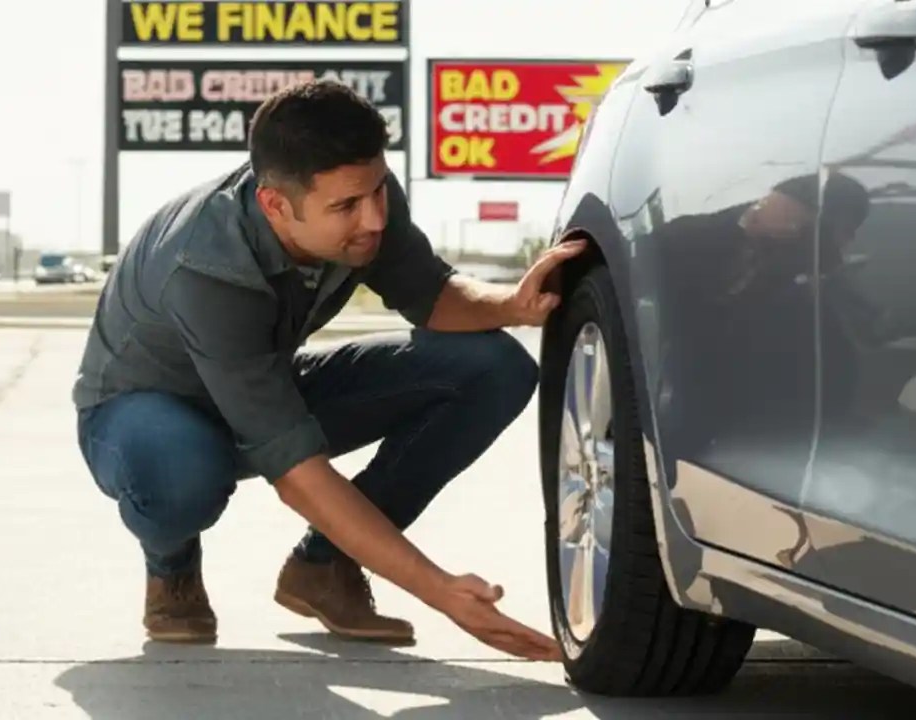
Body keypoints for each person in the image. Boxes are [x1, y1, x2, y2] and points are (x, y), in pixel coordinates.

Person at [72, 79, 585, 661]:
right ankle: (172, 567)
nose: (371, 219)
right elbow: (299, 475)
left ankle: (326, 567)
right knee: (183, 467)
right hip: (139, 416)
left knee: (495, 366)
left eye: (376, 192)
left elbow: (434, 297)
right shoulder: (208, 266)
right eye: (345, 206)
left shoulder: (363, 197)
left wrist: (514, 305)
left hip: (261, 384)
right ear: (275, 205)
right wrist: (440, 592)